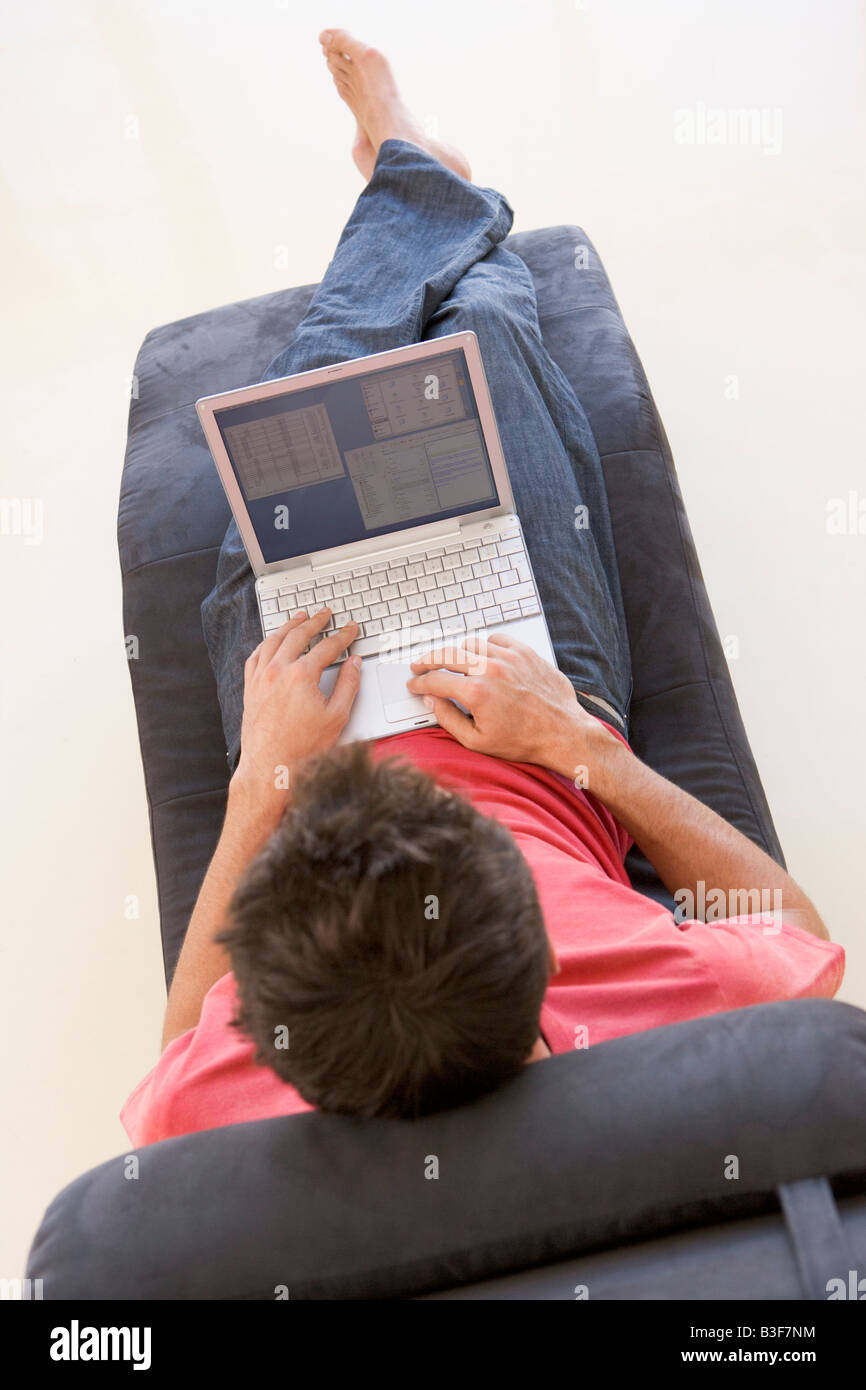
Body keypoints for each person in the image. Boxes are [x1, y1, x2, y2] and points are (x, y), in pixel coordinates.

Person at [121, 29, 843, 1143]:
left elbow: (175, 1060)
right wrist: (576, 747)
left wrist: (266, 778)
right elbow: (797, 938)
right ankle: (418, 173)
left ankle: (410, 174)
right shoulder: (636, 987)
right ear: (537, 959)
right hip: (530, 696)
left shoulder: (281, 1048)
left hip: (298, 711)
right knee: (493, 325)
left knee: (317, 386)